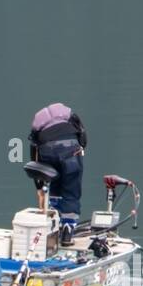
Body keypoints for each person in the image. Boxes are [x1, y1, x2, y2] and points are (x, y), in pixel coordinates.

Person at [29, 102, 87, 246]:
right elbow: (83, 138)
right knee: (71, 190)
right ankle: (67, 230)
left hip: (46, 152)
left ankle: (53, 229)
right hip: (71, 150)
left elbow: (34, 152)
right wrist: (79, 151)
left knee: (51, 185)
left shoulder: (38, 121)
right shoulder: (69, 114)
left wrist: (39, 185)